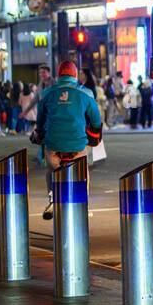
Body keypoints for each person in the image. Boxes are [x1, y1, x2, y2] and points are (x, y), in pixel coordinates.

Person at [32, 59, 103, 220]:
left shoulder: (47, 93)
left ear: (58, 75)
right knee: (83, 172)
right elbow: (96, 121)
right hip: (78, 146)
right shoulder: (86, 93)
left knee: (51, 171)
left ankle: (52, 198)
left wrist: (40, 132)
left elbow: (40, 121)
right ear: (75, 75)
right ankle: (83, 203)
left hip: (54, 147)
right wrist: (94, 132)